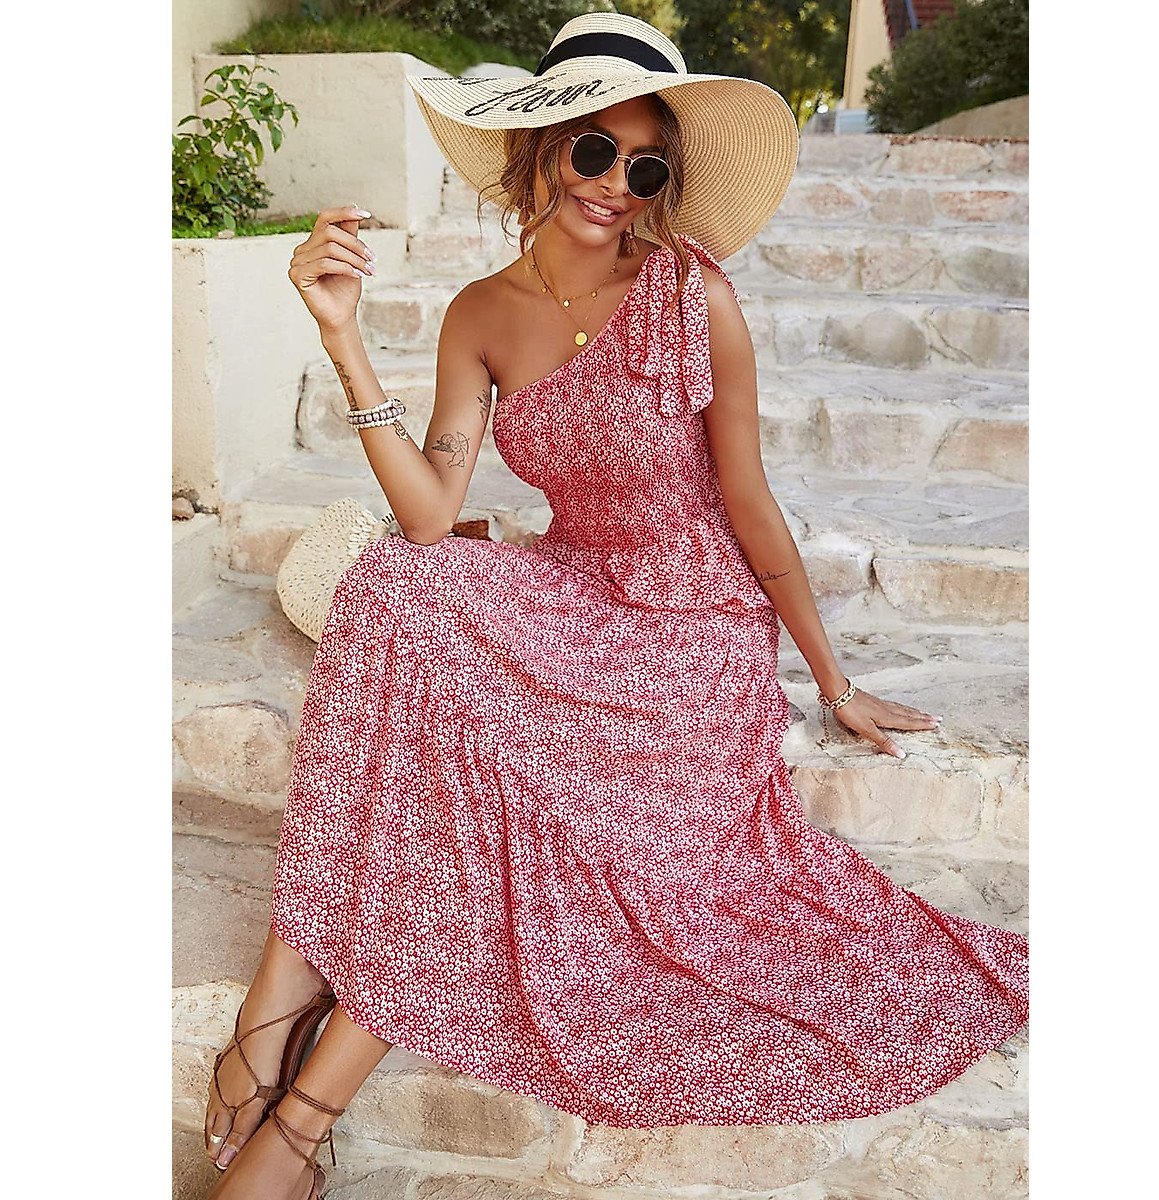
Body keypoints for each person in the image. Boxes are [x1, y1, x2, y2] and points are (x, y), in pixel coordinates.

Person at [201, 14, 1029, 1200]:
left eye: (645, 169)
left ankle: (295, 1087)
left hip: (693, 630)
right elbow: (430, 515)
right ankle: (287, 1007)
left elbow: (749, 502)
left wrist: (830, 680)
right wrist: (344, 342)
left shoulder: (691, 294)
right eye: (595, 153)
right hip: (577, 589)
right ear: (539, 152)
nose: (615, 186)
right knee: (392, 581)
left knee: (474, 758)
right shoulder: (480, 312)